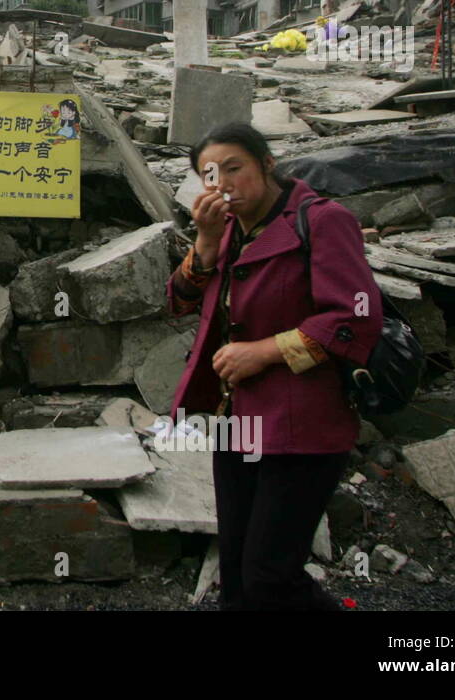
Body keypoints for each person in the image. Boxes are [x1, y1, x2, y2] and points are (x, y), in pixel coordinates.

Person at [165, 122, 382, 610]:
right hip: (236, 421)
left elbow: (355, 316)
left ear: (266, 163)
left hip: (302, 424)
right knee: (238, 572)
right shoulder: (225, 231)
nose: (222, 184)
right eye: (209, 174)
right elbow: (178, 302)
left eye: (234, 168)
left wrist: (264, 351)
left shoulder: (322, 220)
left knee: (270, 574)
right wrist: (203, 243)